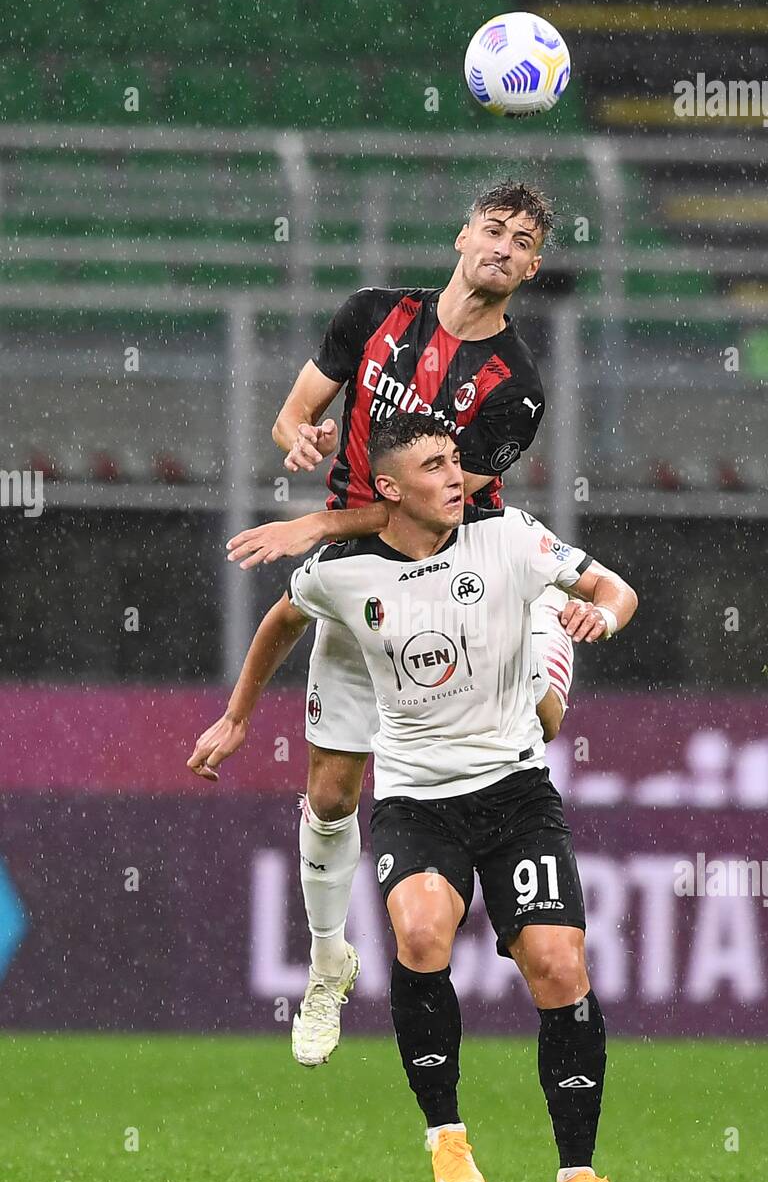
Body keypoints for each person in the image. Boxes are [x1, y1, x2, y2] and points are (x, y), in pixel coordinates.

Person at [188, 412, 640, 1182]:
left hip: (515, 790)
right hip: (417, 798)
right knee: (423, 930)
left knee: (558, 964)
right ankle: (447, 1138)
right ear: (390, 489)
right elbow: (282, 619)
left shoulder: (509, 536)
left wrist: (601, 615)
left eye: (456, 460)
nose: (456, 476)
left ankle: (579, 1179)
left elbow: (616, 589)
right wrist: (237, 717)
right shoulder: (344, 572)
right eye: (435, 466)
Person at [224, 181, 575, 1067]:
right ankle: (327, 963)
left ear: (532, 268)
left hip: (455, 582)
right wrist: (296, 435)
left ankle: (546, 648)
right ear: (462, 236)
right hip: (359, 584)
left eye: (521, 240)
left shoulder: (516, 390)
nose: (502, 246)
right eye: (492, 229)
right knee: (331, 795)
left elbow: (433, 511)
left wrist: (316, 526)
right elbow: (294, 411)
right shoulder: (370, 315)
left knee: (531, 729)